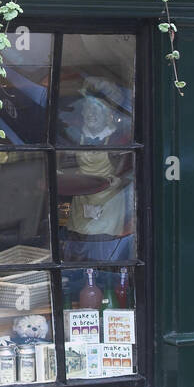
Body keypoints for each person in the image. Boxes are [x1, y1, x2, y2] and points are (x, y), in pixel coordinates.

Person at [57, 74, 134, 264]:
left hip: (109, 202)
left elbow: (131, 172)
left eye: (96, 109)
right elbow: (63, 166)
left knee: (103, 251)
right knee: (78, 248)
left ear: (108, 115)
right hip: (81, 199)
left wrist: (120, 180)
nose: (90, 114)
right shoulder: (74, 138)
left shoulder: (119, 141)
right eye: (87, 109)